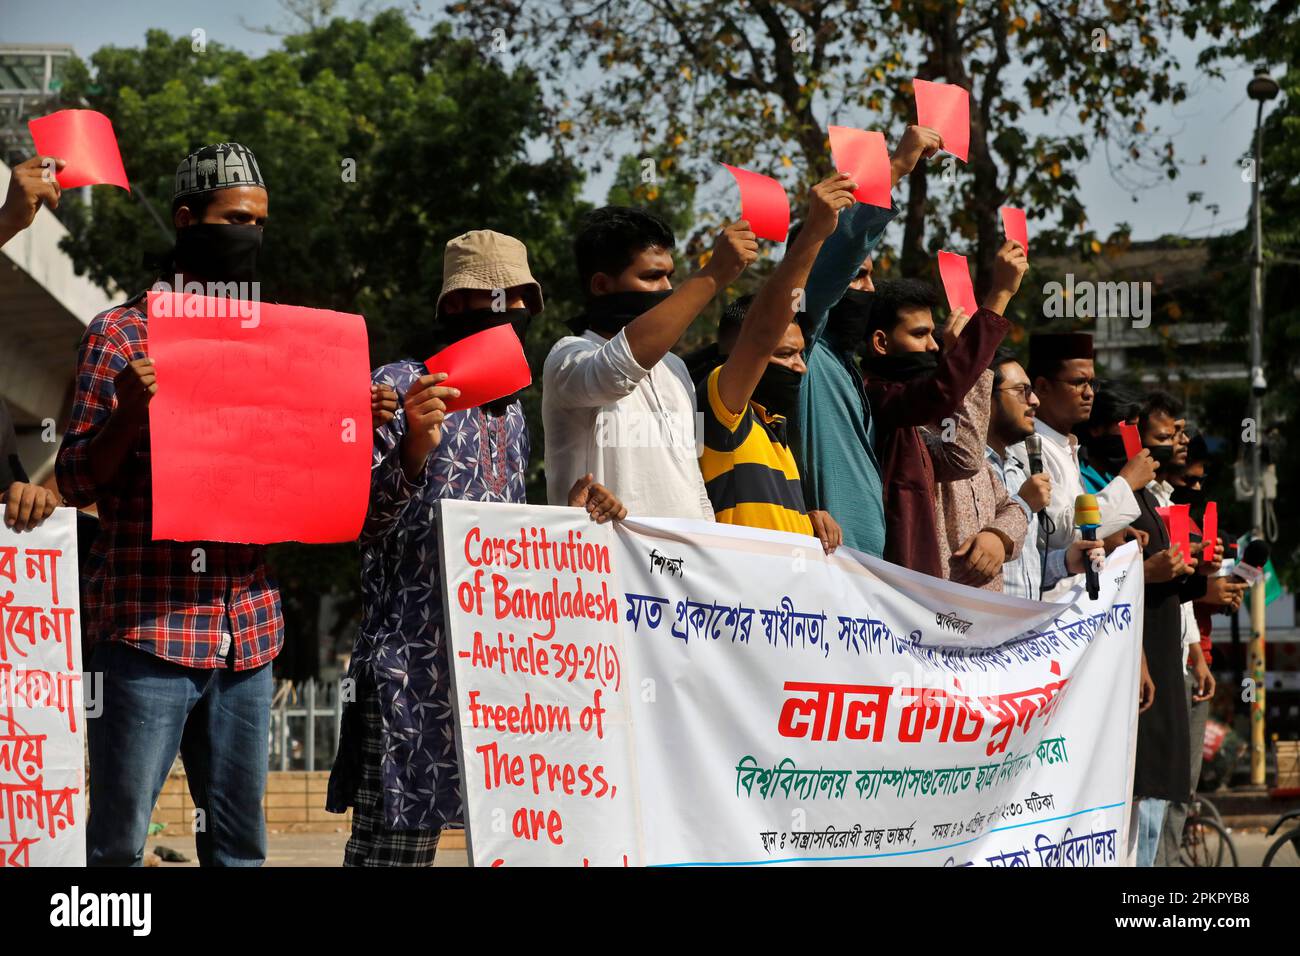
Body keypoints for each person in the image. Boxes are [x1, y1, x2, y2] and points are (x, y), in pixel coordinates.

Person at [326, 230, 627, 866]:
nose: (514, 315)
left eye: (524, 303)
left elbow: (502, 544)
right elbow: (361, 522)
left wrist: (565, 521)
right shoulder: (396, 387)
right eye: (501, 300)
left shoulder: (512, 415)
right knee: (391, 854)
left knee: (506, 843)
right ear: (458, 305)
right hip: (408, 670)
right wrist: (412, 445)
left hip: (492, 670)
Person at [57, 142, 283, 867]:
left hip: (248, 632)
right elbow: (75, 480)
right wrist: (127, 415)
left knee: (239, 849)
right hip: (147, 635)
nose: (253, 234)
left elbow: (297, 473)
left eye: (262, 221)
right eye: (238, 218)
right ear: (188, 220)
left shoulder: (276, 341)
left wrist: (350, 421)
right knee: (120, 845)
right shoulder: (119, 335)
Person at [788, 125, 945, 556]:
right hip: (823, 570)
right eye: (859, 275)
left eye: (873, 276)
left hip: (867, 580)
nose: (870, 289)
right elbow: (825, 269)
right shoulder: (803, 349)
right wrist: (895, 167)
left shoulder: (844, 366)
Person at [542, 207, 756, 518]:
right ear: (601, 285)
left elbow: (692, 482)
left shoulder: (676, 367)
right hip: (608, 560)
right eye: (652, 277)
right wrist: (713, 275)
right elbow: (614, 374)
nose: (667, 290)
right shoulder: (569, 358)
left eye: (669, 276)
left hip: (680, 563)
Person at [698, 174, 854, 549]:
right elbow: (762, 332)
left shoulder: (777, 433)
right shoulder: (725, 415)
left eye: (801, 354)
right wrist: (815, 231)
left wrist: (805, 520)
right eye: (784, 354)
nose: (800, 367)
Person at [862, 241, 1027, 579]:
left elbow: (970, 462)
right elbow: (955, 441)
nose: (934, 346)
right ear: (881, 343)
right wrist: (999, 296)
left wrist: (998, 535)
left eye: (933, 335)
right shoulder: (880, 400)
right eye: (920, 334)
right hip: (911, 594)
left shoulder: (922, 407)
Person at [1021, 333, 1148, 599]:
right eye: (1078, 382)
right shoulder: (1030, 447)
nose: (1089, 393)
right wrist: (1125, 485)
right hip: (1046, 607)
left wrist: (1113, 533)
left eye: (1092, 383)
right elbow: (1059, 533)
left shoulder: (1066, 446)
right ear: (1042, 387)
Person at [928, 351, 1026, 590]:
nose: (1034, 402)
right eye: (1022, 391)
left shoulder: (985, 461)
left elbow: (1011, 507)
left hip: (986, 614)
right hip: (938, 608)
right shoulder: (922, 438)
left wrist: (997, 536)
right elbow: (964, 458)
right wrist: (968, 362)